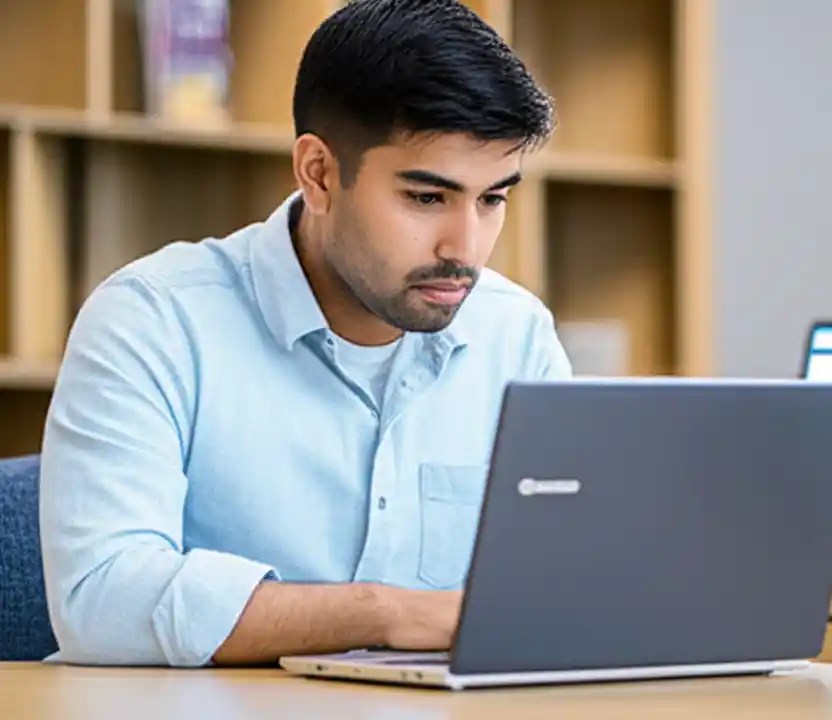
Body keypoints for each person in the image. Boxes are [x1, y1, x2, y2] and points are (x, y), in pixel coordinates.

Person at [39, 0, 568, 667]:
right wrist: (385, 612)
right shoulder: (154, 320)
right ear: (319, 173)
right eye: (427, 197)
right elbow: (100, 600)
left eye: (493, 198)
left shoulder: (515, 335)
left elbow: (561, 588)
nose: (466, 246)